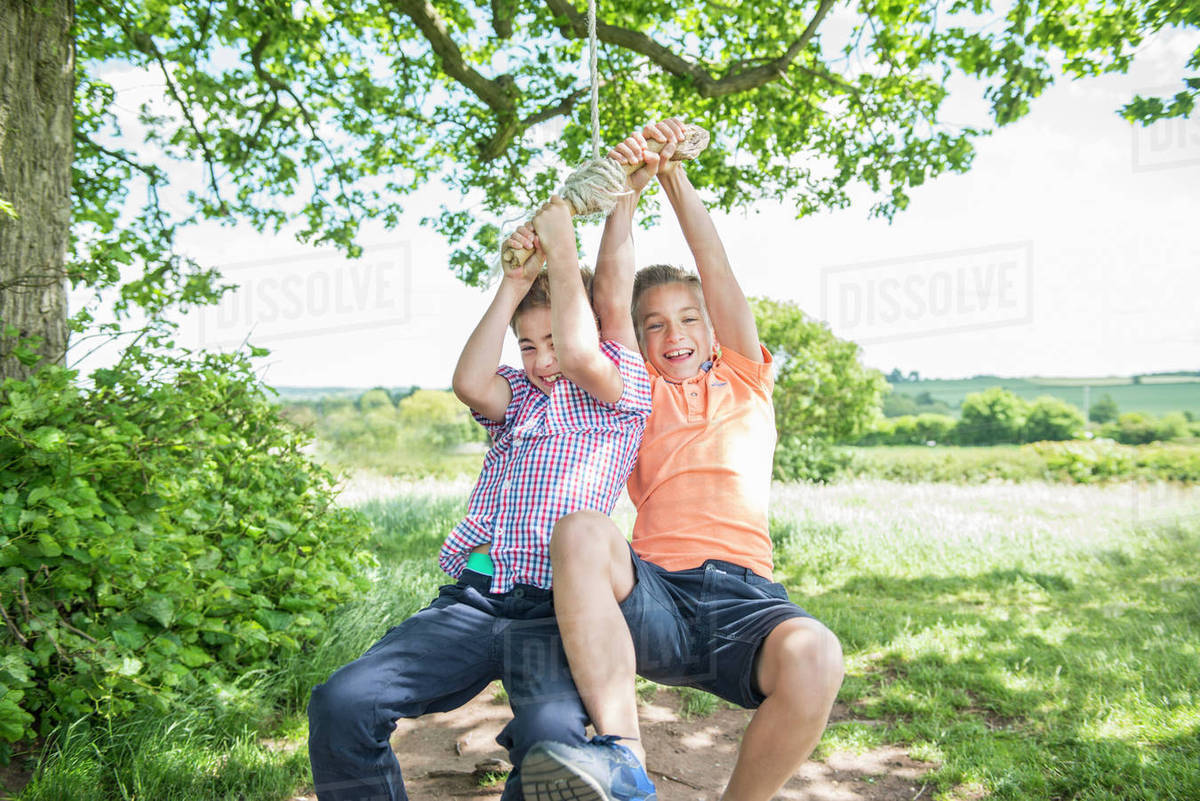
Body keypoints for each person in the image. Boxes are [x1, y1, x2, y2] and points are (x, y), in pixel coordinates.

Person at [521, 119, 845, 801]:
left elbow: (715, 266)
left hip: (744, 600)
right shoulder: (637, 396)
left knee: (816, 651)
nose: (675, 333)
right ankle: (624, 762)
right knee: (581, 529)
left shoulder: (746, 380)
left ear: (712, 327)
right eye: (655, 323)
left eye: (689, 318)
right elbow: (610, 295)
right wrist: (626, 192)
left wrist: (673, 171)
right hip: (658, 594)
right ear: (638, 341)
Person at [307, 196, 653, 801]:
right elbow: (469, 382)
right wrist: (512, 283)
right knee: (344, 700)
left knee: (552, 747)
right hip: (475, 599)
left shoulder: (620, 393)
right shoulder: (517, 397)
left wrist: (564, 244)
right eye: (527, 345)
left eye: (552, 341)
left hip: (556, 612)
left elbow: (578, 349)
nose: (543, 359)